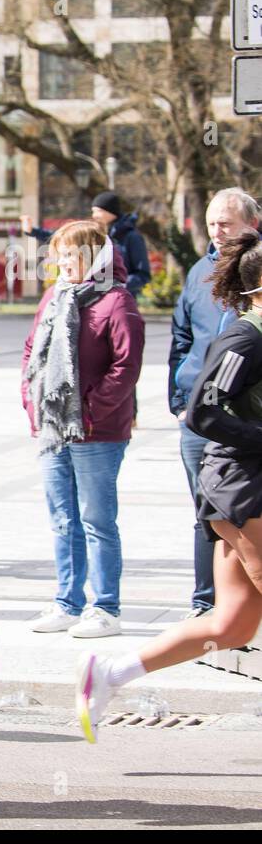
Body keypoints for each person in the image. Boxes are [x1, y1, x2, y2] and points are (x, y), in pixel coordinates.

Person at [77, 228, 262, 742]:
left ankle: (109, 674)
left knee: (232, 626)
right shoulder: (246, 336)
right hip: (243, 487)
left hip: (247, 484)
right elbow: (204, 409)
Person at [22, 222, 144, 639]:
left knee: (97, 520)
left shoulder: (116, 301)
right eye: (59, 254)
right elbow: (30, 353)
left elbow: (125, 367)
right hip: (53, 429)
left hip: (98, 431)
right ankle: (67, 603)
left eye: (73, 254)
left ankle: (105, 608)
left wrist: (90, 411)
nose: (63, 262)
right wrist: (32, 402)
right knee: (62, 519)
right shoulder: (54, 298)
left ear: (97, 257)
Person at [169, 188, 260, 617]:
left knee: (241, 520)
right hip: (209, 429)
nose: (217, 232)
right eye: (211, 224)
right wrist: (179, 398)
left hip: (239, 436)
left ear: (251, 225)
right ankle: (206, 604)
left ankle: (230, 616)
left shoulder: (253, 271)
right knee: (209, 518)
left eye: (226, 223)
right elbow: (182, 336)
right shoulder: (200, 274)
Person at [22, 192, 150, 298]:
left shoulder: (132, 237)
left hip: (119, 297)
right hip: (91, 295)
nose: (94, 215)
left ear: (111, 211)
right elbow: (67, 240)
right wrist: (33, 231)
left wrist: (116, 285)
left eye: (98, 211)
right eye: (93, 211)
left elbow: (143, 274)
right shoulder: (94, 232)